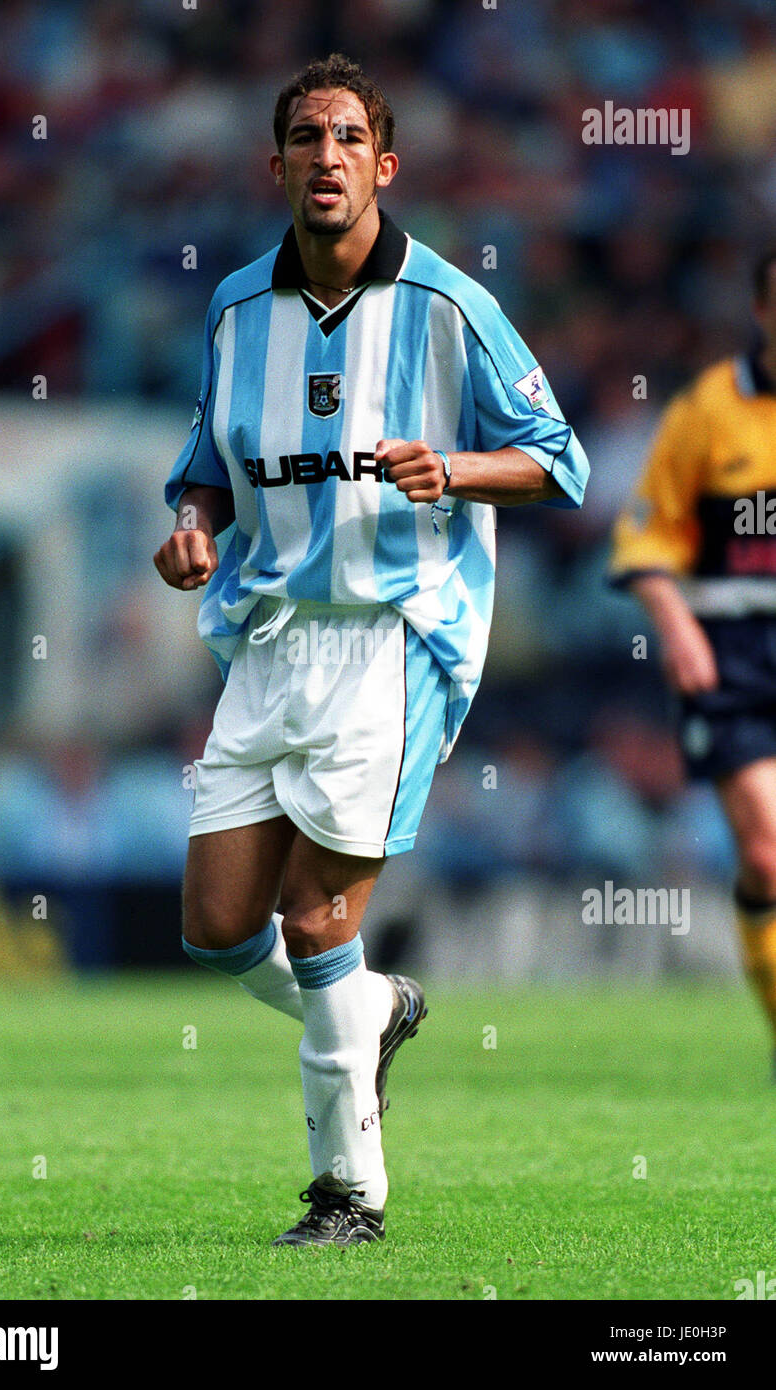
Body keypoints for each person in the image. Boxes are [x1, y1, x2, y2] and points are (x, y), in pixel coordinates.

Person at [154, 53, 589, 1246]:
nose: (326, 154)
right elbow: (204, 467)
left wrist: (452, 466)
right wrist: (190, 532)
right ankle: (376, 1009)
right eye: (306, 135)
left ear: (383, 165)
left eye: (348, 136)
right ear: (278, 163)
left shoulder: (450, 306)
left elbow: (560, 459)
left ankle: (347, 1194)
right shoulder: (236, 305)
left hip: (392, 641)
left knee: (315, 914)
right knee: (214, 925)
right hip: (269, 641)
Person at [610, 248, 776, 1077]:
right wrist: (674, 626)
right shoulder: (709, 411)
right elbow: (645, 535)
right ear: (761, 310)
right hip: (734, 653)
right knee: (765, 853)